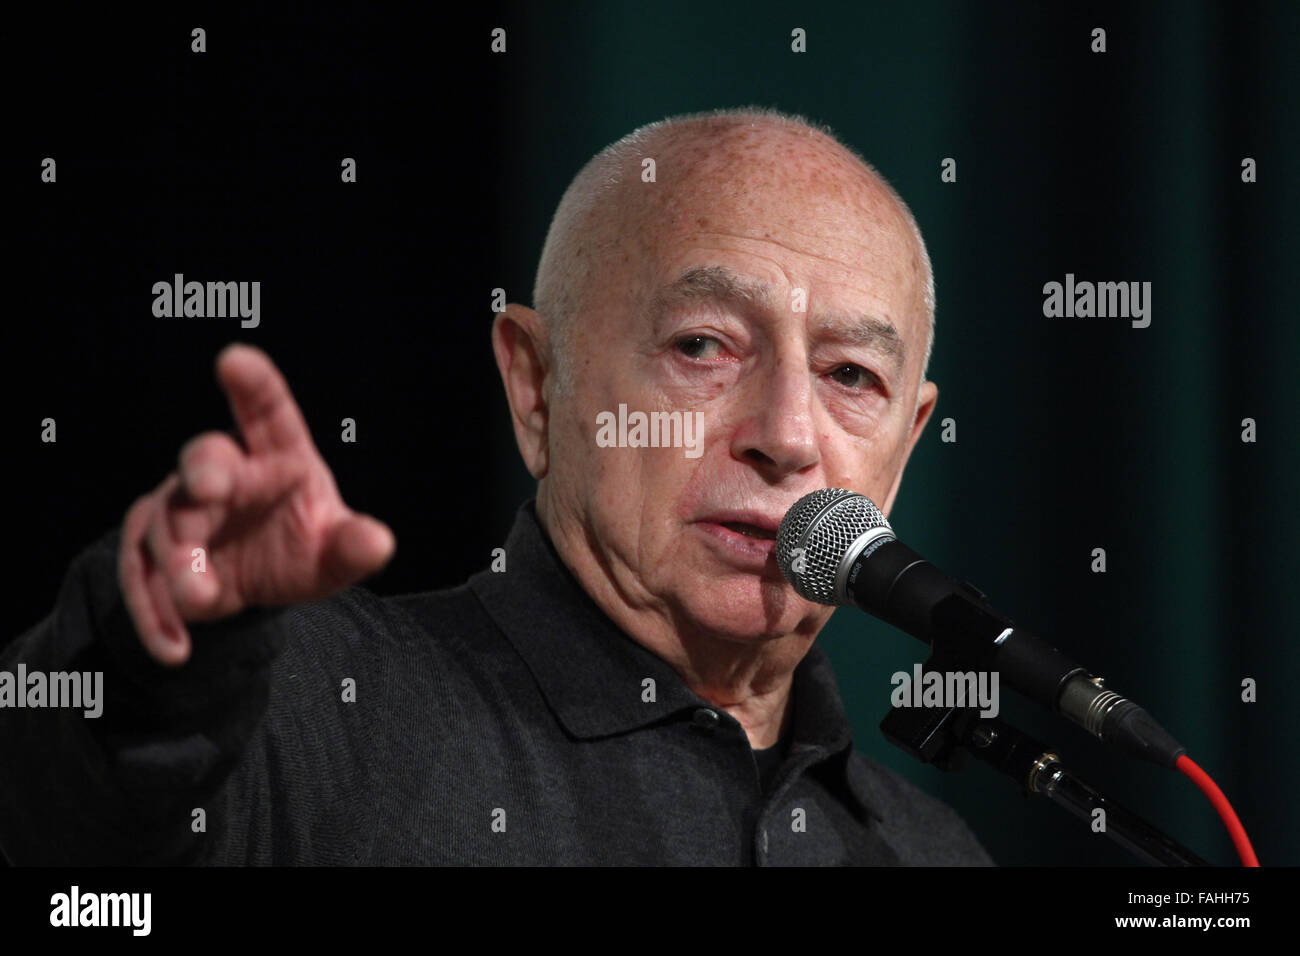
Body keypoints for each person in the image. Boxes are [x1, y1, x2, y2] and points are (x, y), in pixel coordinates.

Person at [0, 107, 992, 865]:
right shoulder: (313, 707)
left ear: (902, 445)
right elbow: (71, 816)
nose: (784, 435)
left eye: (849, 376)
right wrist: (156, 648)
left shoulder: (931, 850)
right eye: (702, 345)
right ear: (534, 382)